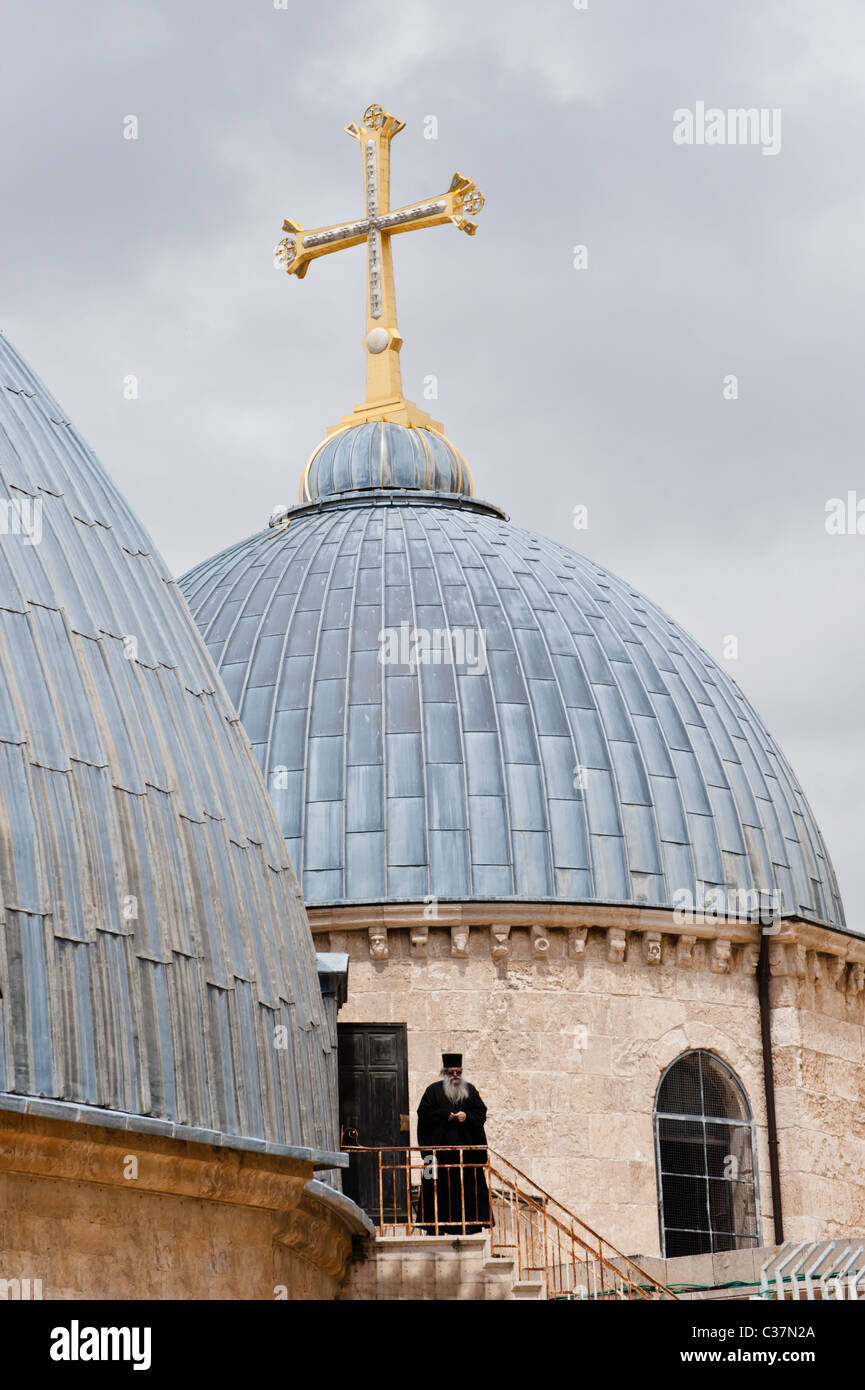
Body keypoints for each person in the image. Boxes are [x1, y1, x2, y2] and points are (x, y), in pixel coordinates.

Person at [415, 1053, 492, 1234]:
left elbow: (481, 1113)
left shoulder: (470, 1091)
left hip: (465, 1157)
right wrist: (444, 1116)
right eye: (451, 1072)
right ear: (445, 1073)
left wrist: (468, 1116)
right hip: (437, 1156)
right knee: (435, 1193)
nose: (455, 1076)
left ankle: (469, 1229)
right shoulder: (432, 1091)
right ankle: (435, 1229)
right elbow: (423, 1115)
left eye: (458, 1072)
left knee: (467, 1195)